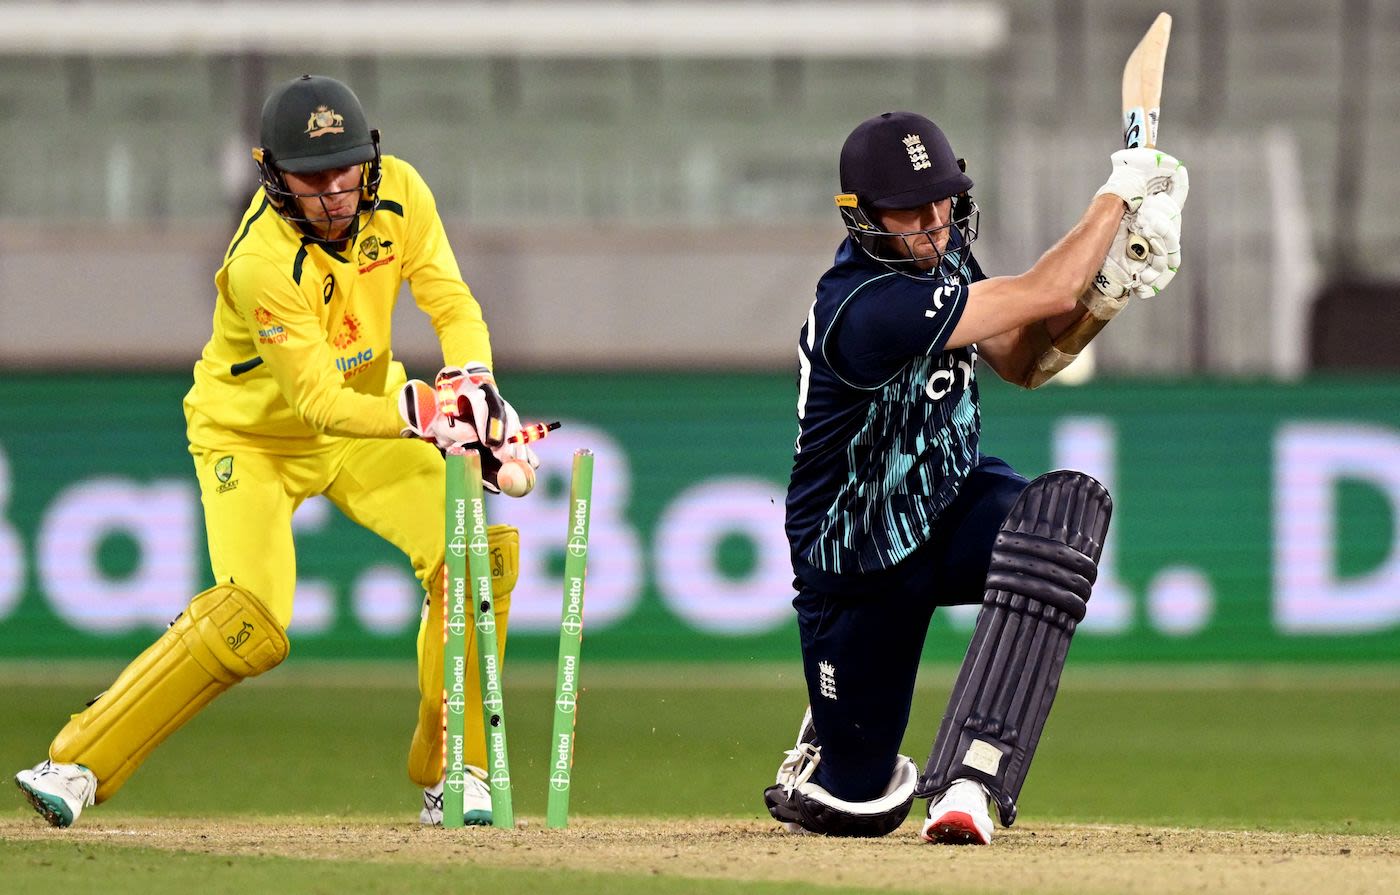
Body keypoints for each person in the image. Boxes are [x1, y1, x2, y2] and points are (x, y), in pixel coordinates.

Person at [13, 75, 535, 828]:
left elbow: (451, 302)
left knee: (475, 560)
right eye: (312, 178)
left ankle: (456, 768)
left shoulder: (403, 195)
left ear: (371, 158)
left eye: (346, 171)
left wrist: (474, 380)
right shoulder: (261, 258)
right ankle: (74, 762)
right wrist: (428, 413)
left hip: (366, 420)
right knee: (249, 622)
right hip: (253, 436)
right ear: (272, 174)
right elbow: (317, 403)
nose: (334, 194)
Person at [763, 111, 1187, 843]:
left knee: (1063, 515)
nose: (933, 222)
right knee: (859, 806)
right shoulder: (862, 306)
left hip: (952, 505)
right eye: (910, 208)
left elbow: (1024, 360)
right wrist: (1118, 195)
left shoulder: (946, 256)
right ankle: (828, 754)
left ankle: (971, 775)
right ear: (861, 216)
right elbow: (1046, 289)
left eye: (942, 200)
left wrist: (1111, 285)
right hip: (859, 562)